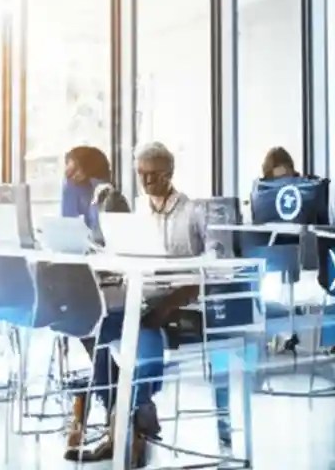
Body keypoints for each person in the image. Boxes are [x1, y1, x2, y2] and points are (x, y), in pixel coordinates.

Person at [67, 142, 224, 463]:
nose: (147, 182)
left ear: (170, 174)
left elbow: (216, 261)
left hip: (180, 302)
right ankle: (125, 416)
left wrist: (178, 296)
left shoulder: (192, 211)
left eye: (154, 175)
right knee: (90, 327)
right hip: (141, 297)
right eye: (141, 175)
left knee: (139, 328)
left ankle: (131, 425)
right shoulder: (138, 212)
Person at [61, 145, 129, 243]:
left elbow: (102, 236)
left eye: (74, 171)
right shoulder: (71, 189)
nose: (70, 177)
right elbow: (67, 225)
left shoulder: (111, 198)